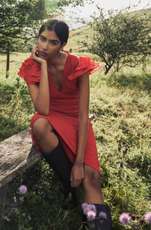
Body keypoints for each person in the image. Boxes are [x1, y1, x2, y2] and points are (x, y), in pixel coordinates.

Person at [18, 19, 112, 229]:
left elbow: (82, 114)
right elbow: (42, 109)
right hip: (51, 117)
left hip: (76, 119)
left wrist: (79, 163)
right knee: (39, 125)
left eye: (52, 42)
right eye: (42, 39)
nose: (43, 46)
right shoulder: (31, 66)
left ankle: (97, 225)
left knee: (92, 179)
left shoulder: (78, 64)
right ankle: (69, 188)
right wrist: (42, 65)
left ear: (62, 46)